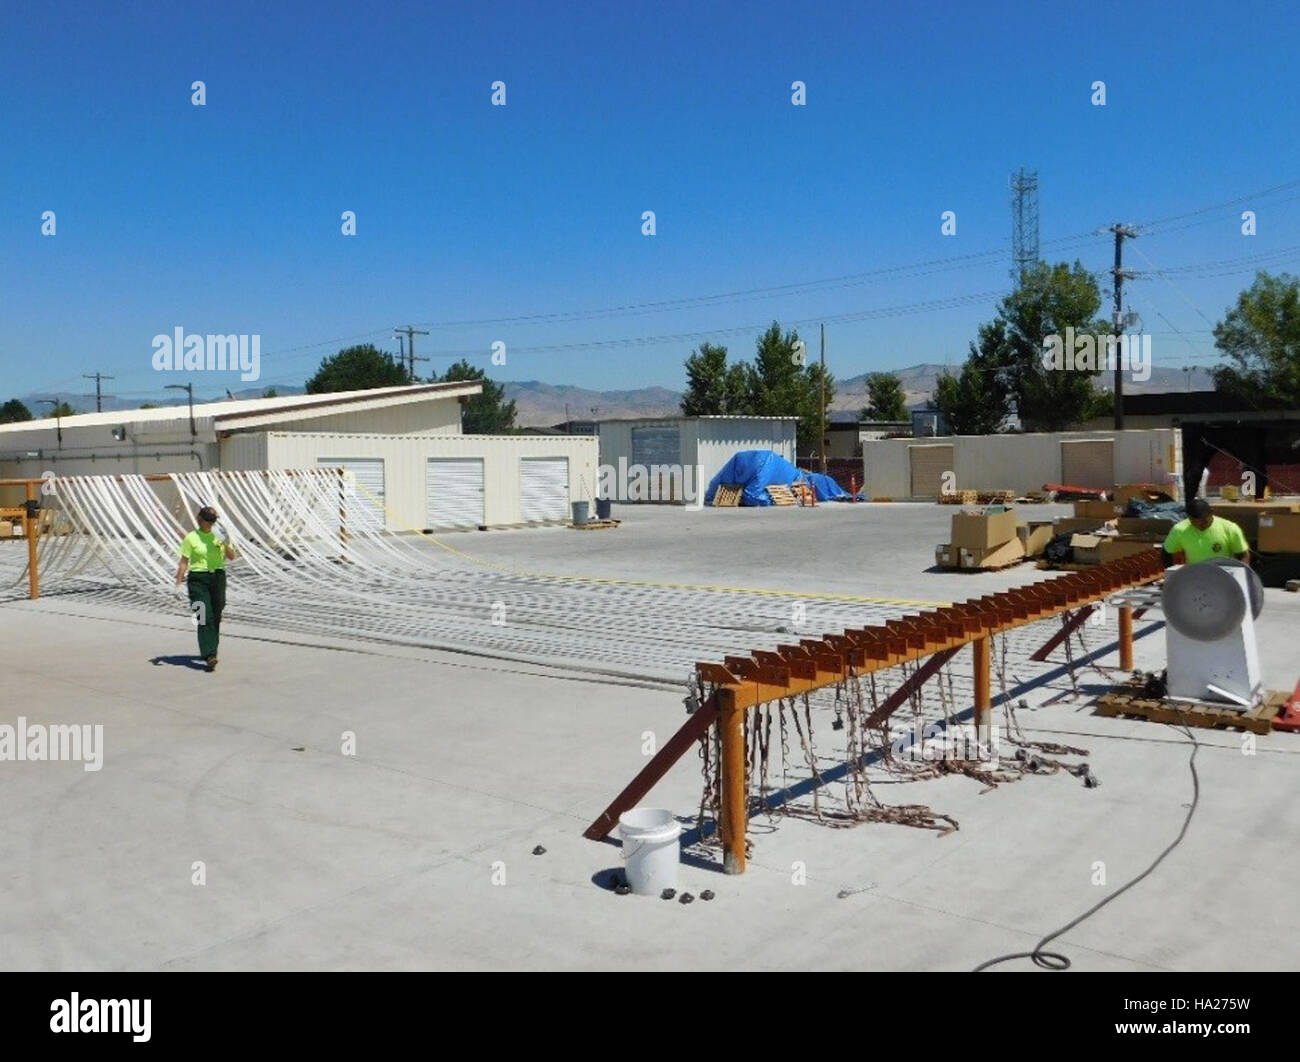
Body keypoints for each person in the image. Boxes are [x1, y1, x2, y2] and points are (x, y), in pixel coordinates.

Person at [174, 506, 238, 671]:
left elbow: (232, 557)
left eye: (212, 521)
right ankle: (209, 654)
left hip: (217, 577)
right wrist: (178, 584)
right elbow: (183, 562)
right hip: (198, 579)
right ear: (199, 519)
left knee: (216, 613)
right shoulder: (191, 538)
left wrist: (225, 543)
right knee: (203, 614)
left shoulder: (219, 535)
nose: (209, 524)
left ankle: (211, 650)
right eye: (207, 521)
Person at [1162, 497, 1250, 568]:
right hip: (1196, 578)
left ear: (1211, 512)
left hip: (1223, 577)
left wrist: (1241, 576)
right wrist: (1171, 576)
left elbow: (1243, 555)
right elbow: (1166, 552)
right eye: (1194, 523)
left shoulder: (1230, 528)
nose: (1200, 525)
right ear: (1188, 517)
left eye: (1204, 521)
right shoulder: (1179, 530)